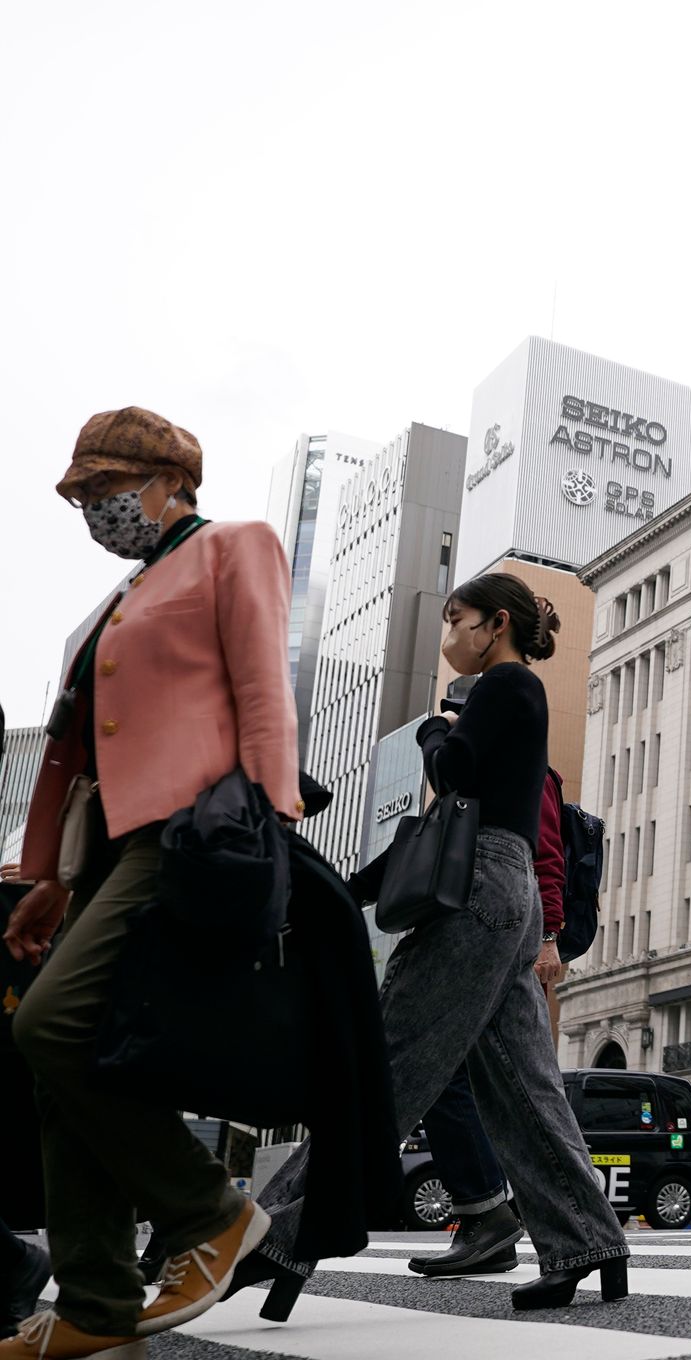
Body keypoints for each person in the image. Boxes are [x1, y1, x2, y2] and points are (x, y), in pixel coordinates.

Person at [238, 574, 630, 1315]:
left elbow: (453, 776)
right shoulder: (509, 696)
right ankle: (588, 1240)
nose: (450, 633)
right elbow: (447, 820)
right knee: (522, 1085)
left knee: (385, 1066)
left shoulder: (506, 688)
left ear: (498, 624)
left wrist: (434, 730)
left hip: (479, 893)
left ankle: (278, 1235)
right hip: (498, 891)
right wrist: (344, 890)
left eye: (460, 618)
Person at [4, 410, 297, 1358]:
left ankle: (208, 1213)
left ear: (170, 480)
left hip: (187, 833)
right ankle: (95, 1301)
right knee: (64, 1060)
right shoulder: (119, 601)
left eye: (107, 488)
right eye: (86, 495)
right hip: (106, 851)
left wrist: (269, 826)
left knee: (45, 1027)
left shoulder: (231, 547)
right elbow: (72, 749)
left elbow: (263, 687)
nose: (96, 508)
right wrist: (44, 873)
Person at [405, 751, 574, 1280]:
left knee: (479, 1080)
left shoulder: (526, 771)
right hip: (472, 937)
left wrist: (549, 939)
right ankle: (495, 1220)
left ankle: (494, 1216)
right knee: (499, 1082)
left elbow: (545, 855)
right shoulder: (477, 772)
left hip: (504, 940)